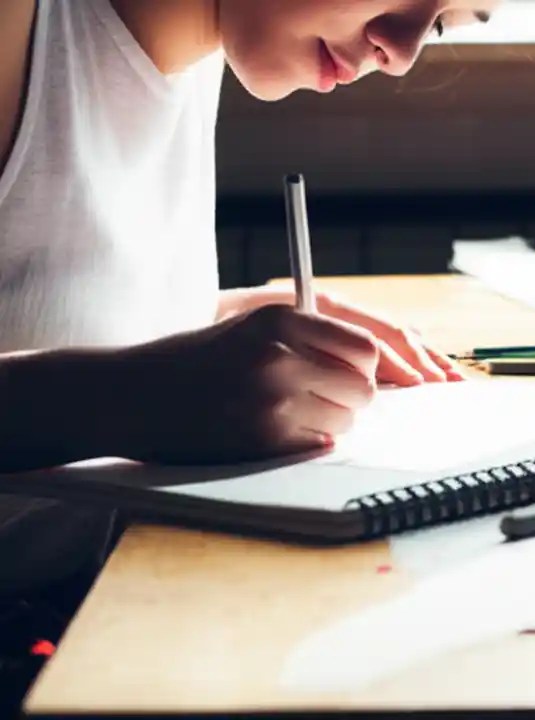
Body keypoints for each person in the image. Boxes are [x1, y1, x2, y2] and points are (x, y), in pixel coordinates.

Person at [0, 0, 497, 614]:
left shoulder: (199, 50)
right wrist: (133, 397)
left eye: (445, 22)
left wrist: (218, 319)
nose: (400, 53)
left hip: (93, 608)